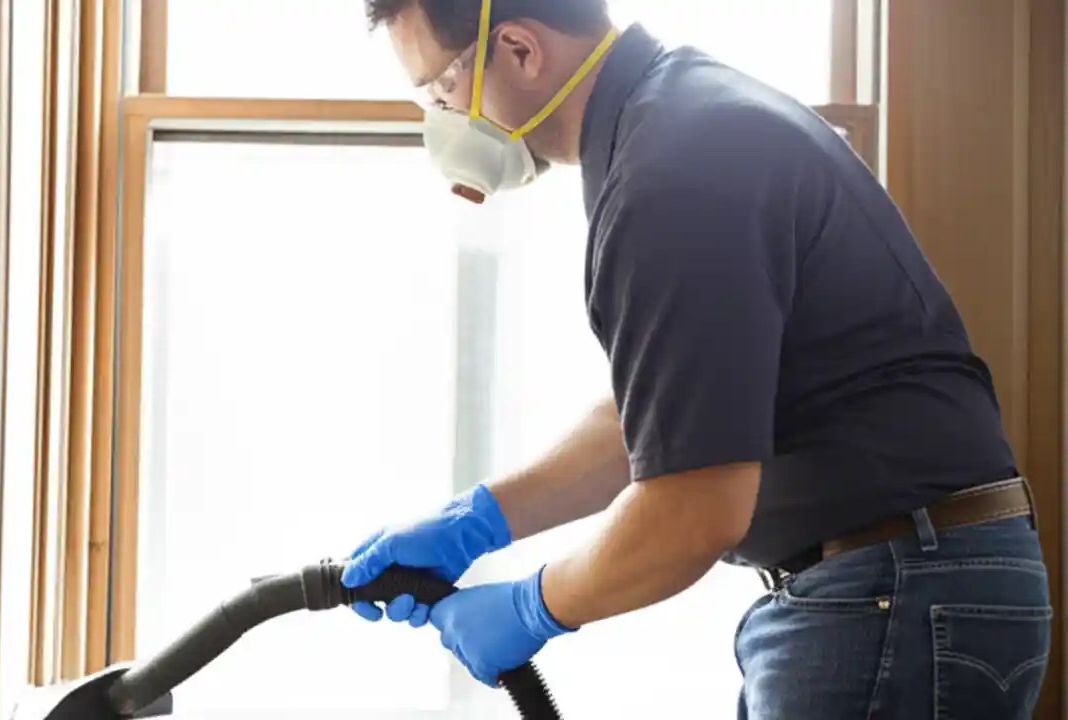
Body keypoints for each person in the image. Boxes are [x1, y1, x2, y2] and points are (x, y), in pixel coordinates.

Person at [341, 1, 1053, 718]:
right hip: (900, 581)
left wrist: (532, 607)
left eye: (439, 92)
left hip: (892, 590)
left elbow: (694, 509)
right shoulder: (677, 123)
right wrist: (480, 518)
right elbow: (671, 415)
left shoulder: (673, 171)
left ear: (522, 50)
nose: (441, 123)